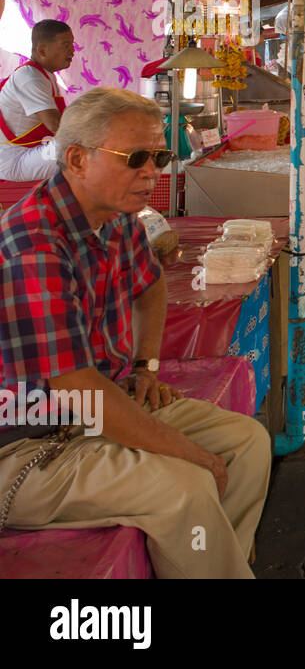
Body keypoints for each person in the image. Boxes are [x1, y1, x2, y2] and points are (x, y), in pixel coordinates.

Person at [0, 88, 271, 578]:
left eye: (160, 155)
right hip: (24, 442)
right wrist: (192, 455)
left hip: (94, 409)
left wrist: (146, 366)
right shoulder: (34, 245)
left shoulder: (116, 217)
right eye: (137, 158)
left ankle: (215, 562)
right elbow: (74, 386)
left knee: (247, 442)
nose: (154, 171)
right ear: (78, 159)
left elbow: (150, 287)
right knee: (185, 484)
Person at [0, 19, 76, 183]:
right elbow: (55, 124)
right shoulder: (30, 77)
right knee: (81, 147)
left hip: (28, 151)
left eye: (72, 44)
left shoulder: (45, 74)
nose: (72, 50)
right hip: (14, 160)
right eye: (65, 45)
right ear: (42, 50)